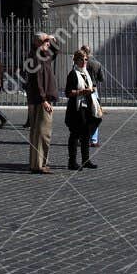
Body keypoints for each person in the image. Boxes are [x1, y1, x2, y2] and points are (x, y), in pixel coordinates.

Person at [25, 34, 58, 174]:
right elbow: (38, 81)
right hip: (40, 100)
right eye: (45, 41)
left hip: (39, 99)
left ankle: (36, 163)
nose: (48, 44)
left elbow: (55, 52)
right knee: (43, 133)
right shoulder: (37, 57)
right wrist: (44, 100)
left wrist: (51, 39)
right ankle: (39, 165)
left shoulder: (42, 55)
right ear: (38, 42)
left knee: (37, 132)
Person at [64, 49, 98, 170]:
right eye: (81, 59)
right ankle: (72, 162)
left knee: (86, 135)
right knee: (75, 135)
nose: (84, 61)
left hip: (87, 108)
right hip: (76, 109)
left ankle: (86, 160)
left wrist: (92, 89)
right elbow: (68, 92)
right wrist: (82, 92)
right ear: (75, 60)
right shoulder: (73, 74)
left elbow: (90, 87)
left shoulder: (86, 73)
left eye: (85, 59)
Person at [79, 43, 105, 147]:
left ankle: (82, 138)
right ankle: (94, 140)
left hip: (82, 91)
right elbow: (101, 79)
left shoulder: (78, 64)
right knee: (95, 114)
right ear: (90, 52)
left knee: (82, 115)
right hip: (94, 91)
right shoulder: (96, 64)